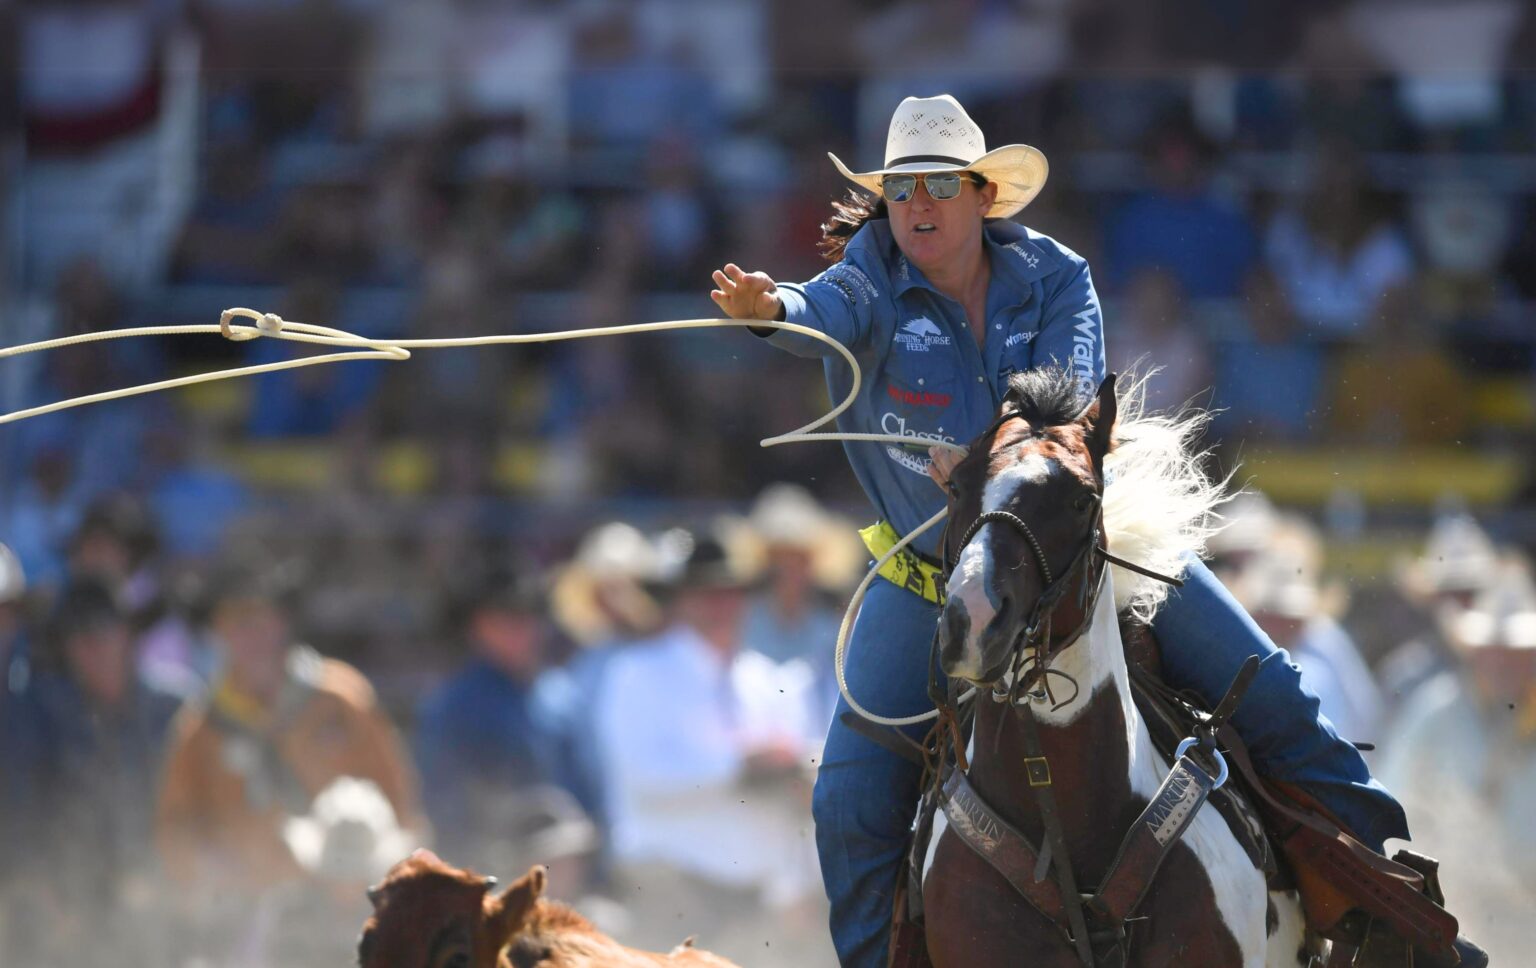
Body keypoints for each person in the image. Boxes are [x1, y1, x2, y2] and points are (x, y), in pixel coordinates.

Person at [708, 94, 1418, 967]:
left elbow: (1069, 405)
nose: (916, 205)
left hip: (1083, 552)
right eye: (900, 189)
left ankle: (1400, 916)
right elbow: (816, 311)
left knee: (1274, 696)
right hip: (929, 582)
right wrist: (769, 307)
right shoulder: (867, 277)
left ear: (982, 196)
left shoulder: (1054, 275)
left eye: (937, 184)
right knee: (849, 799)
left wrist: (981, 465)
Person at [155, 559, 421, 958]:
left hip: (351, 902)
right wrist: (207, 871)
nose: (253, 636)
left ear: (283, 623)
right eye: (238, 623)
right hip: (250, 918)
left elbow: (398, 795)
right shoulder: (200, 729)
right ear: (218, 632)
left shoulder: (340, 698)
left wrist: (385, 876)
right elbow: (176, 827)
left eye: (263, 619)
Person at [414, 573, 559, 864]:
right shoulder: (454, 706)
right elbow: (444, 801)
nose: (518, 632)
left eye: (526, 621)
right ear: (478, 627)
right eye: (505, 622)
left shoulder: (559, 697)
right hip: (496, 859)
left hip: (565, 859)